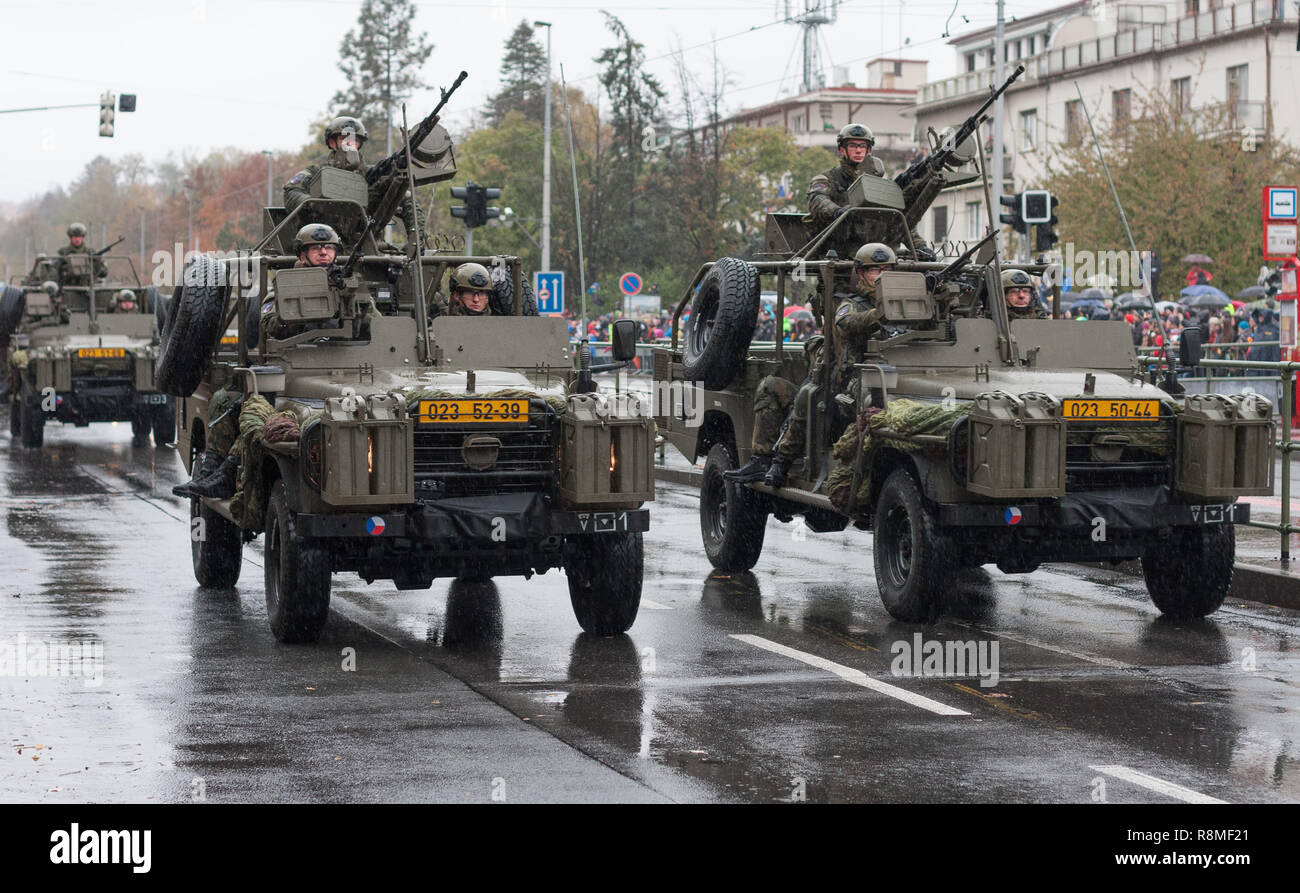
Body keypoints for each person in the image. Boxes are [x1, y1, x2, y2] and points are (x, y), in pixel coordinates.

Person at [175, 223, 345, 501]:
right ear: (302, 255)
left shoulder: (349, 286)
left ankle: (225, 472)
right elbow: (270, 325)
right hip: (288, 369)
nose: (324, 253)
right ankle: (217, 470)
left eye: (329, 248)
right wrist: (312, 312)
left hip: (341, 368)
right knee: (247, 408)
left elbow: (374, 326)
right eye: (317, 248)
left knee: (256, 414)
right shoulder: (284, 286)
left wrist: (348, 304)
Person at [726, 242, 894, 488]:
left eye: (887, 269)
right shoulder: (852, 304)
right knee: (805, 394)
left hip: (895, 377)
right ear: (861, 274)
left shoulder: (909, 302)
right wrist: (882, 313)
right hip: (850, 384)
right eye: (875, 270)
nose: (882, 276)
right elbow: (846, 322)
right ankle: (776, 461)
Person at [283, 115, 426, 249]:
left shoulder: (372, 175)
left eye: (355, 140)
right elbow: (291, 192)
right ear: (332, 143)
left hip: (370, 249)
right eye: (344, 139)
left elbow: (408, 201)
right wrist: (316, 203)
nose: (350, 144)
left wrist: (416, 243)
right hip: (323, 247)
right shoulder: (315, 173)